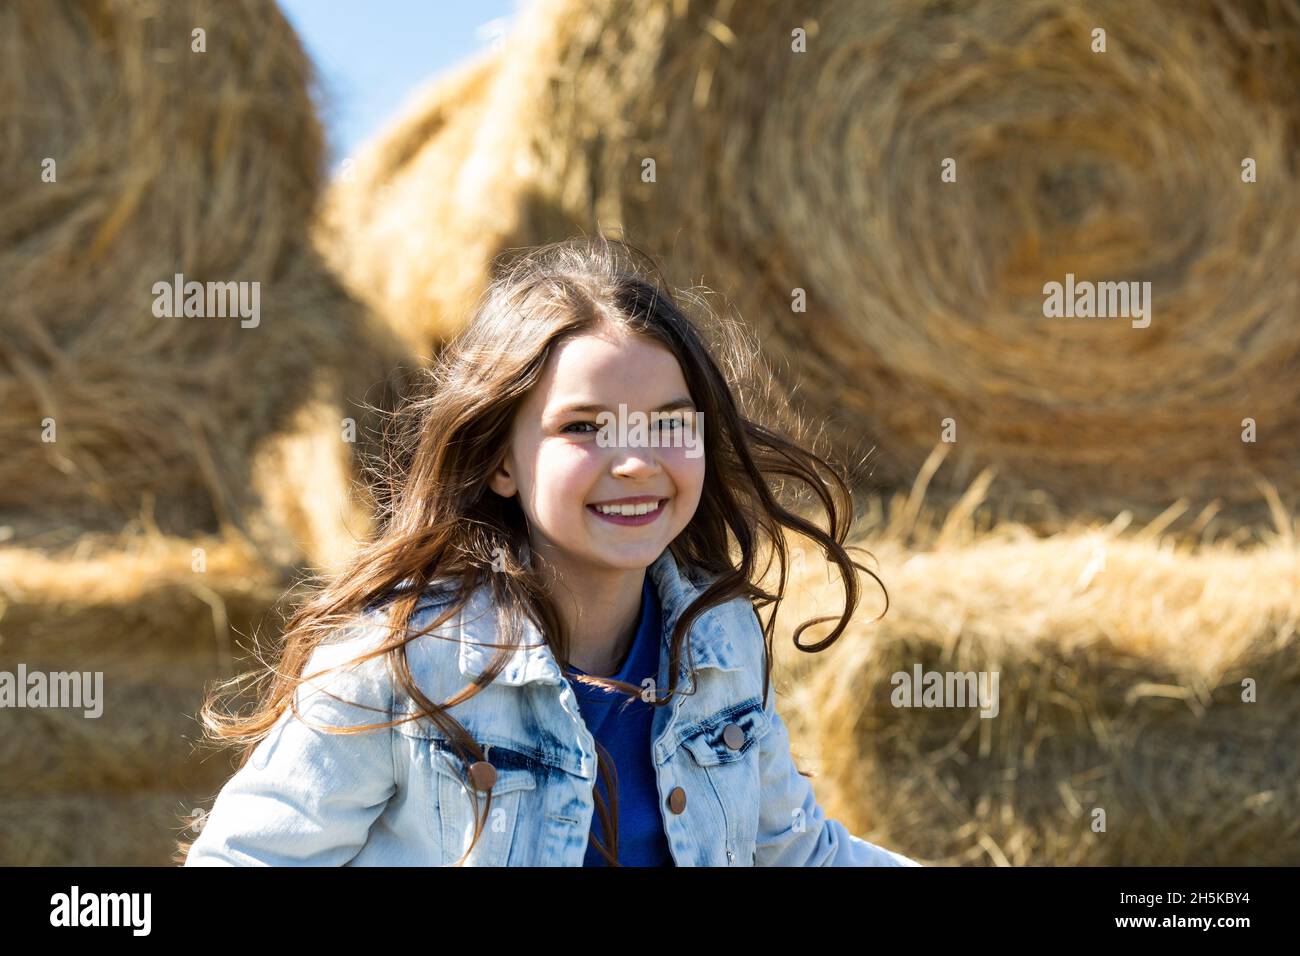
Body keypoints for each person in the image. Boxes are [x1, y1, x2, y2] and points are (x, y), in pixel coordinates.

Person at [180, 235, 920, 867]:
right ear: (501, 460)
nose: (635, 463)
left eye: (668, 424)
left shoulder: (718, 647)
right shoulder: (402, 665)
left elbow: (800, 853)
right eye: (585, 427)